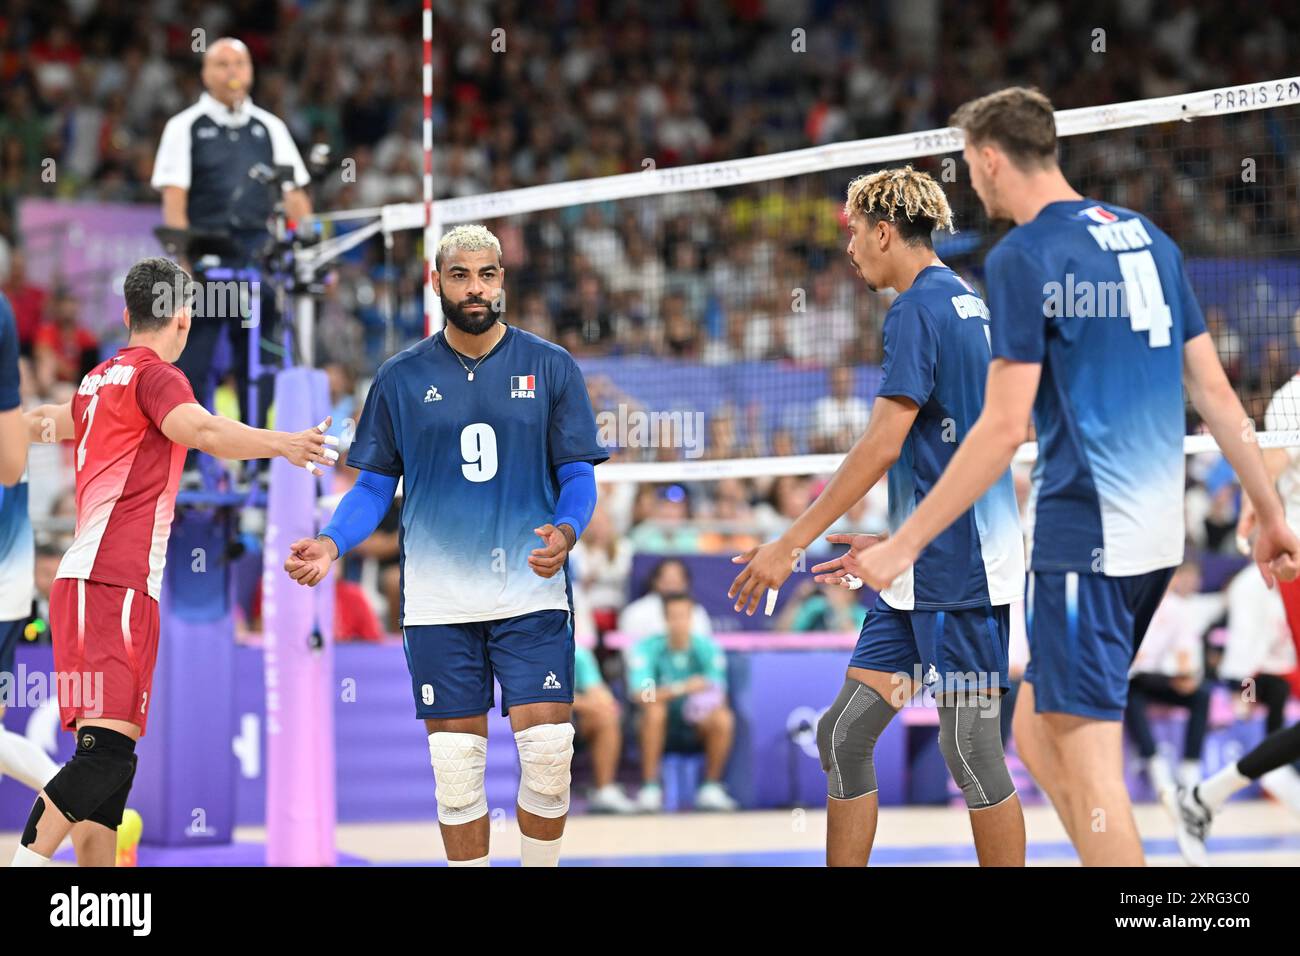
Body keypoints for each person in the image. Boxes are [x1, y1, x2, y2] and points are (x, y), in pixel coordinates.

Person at [850, 87, 1300, 866]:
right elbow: (1219, 395)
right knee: (1031, 729)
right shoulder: (1149, 238)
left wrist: (904, 545)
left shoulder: (1024, 254)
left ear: (991, 158)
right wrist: (1270, 513)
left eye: (969, 165)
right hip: (1156, 542)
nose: (972, 184)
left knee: (1093, 777)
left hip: (1084, 542)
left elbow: (1001, 427)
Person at [730, 165, 1026, 867]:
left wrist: (791, 542)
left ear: (885, 231)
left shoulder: (918, 308)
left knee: (973, 751)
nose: (851, 249)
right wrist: (898, 539)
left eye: (855, 233)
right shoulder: (963, 300)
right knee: (844, 737)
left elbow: (883, 444)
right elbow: (948, 440)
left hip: (960, 569)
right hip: (921, 565)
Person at [283, 225, 606, 867]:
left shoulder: (550, 366)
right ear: (437, 283)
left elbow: (577, 475)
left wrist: (568, 531)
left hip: (530, 590)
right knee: (457, 769)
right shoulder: (400, 377)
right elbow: (374, 487)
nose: (475, 287)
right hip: (438, 600)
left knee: (548, 755)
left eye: (487, 274)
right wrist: (331, 542)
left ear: (503, 281)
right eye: (460, 275)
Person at [9, 257, 335, 867]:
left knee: (109, 773)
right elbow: (203, 432)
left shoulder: (96, 379)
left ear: (129, 314)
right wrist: (284, 443)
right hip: (117, 584)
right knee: (103, 759)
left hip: (82, 586)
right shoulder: (159, 378)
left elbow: (44, 423)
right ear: (184, 319)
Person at [151, 36, 312, 425]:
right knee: (194, 357)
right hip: (205, 261)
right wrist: (182, 261)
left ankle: (254, 456)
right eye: (222, 64)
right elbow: (175, 197)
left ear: (251, 73)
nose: (232, 72)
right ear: (205, 74)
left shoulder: (270, 128)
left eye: (239, 64)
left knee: (259, 360)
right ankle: (187, 460)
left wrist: (307, 250)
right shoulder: (185, 126)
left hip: (258, 261)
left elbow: (295, 197)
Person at [626, 594, 737, 812]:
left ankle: (710, 788)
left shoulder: (707, 647)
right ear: (665, 620)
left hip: (696, 722)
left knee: (722, 717)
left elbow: (718, 691)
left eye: (684, 616)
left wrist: (698, 702)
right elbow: (641, 695)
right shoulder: (647, 648)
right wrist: (682, 688)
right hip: (659, 724)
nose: (679, 622)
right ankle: (651, 789)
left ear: (692, 619)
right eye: (674, 617)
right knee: (654, 711)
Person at [1123, 562, 1220, 805]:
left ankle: (1190, 767)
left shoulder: (1177, 608)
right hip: (1130, 677)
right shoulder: (1128, 603)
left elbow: (1185, 648)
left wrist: (1185, 675)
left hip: (1160, 677)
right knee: (1133, 690)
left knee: (1202, 694)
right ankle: (1155, 763)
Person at [572, 642, 635, 814]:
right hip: (543, 716)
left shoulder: (580, 653)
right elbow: (547, 695)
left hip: (576, 718)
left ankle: (604, 790)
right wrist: (587, 705)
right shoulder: (535, 650)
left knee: (607, 718)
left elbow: (598, 690)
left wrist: (603, 702)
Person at [617, 557, 711, 640]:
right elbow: (630, 650)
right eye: (668, 577)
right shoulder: (636, 611)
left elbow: (706, 647)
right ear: (655, 581)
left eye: (677, 578)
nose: (672, 582)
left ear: (685, 583)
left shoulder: (697, 612)